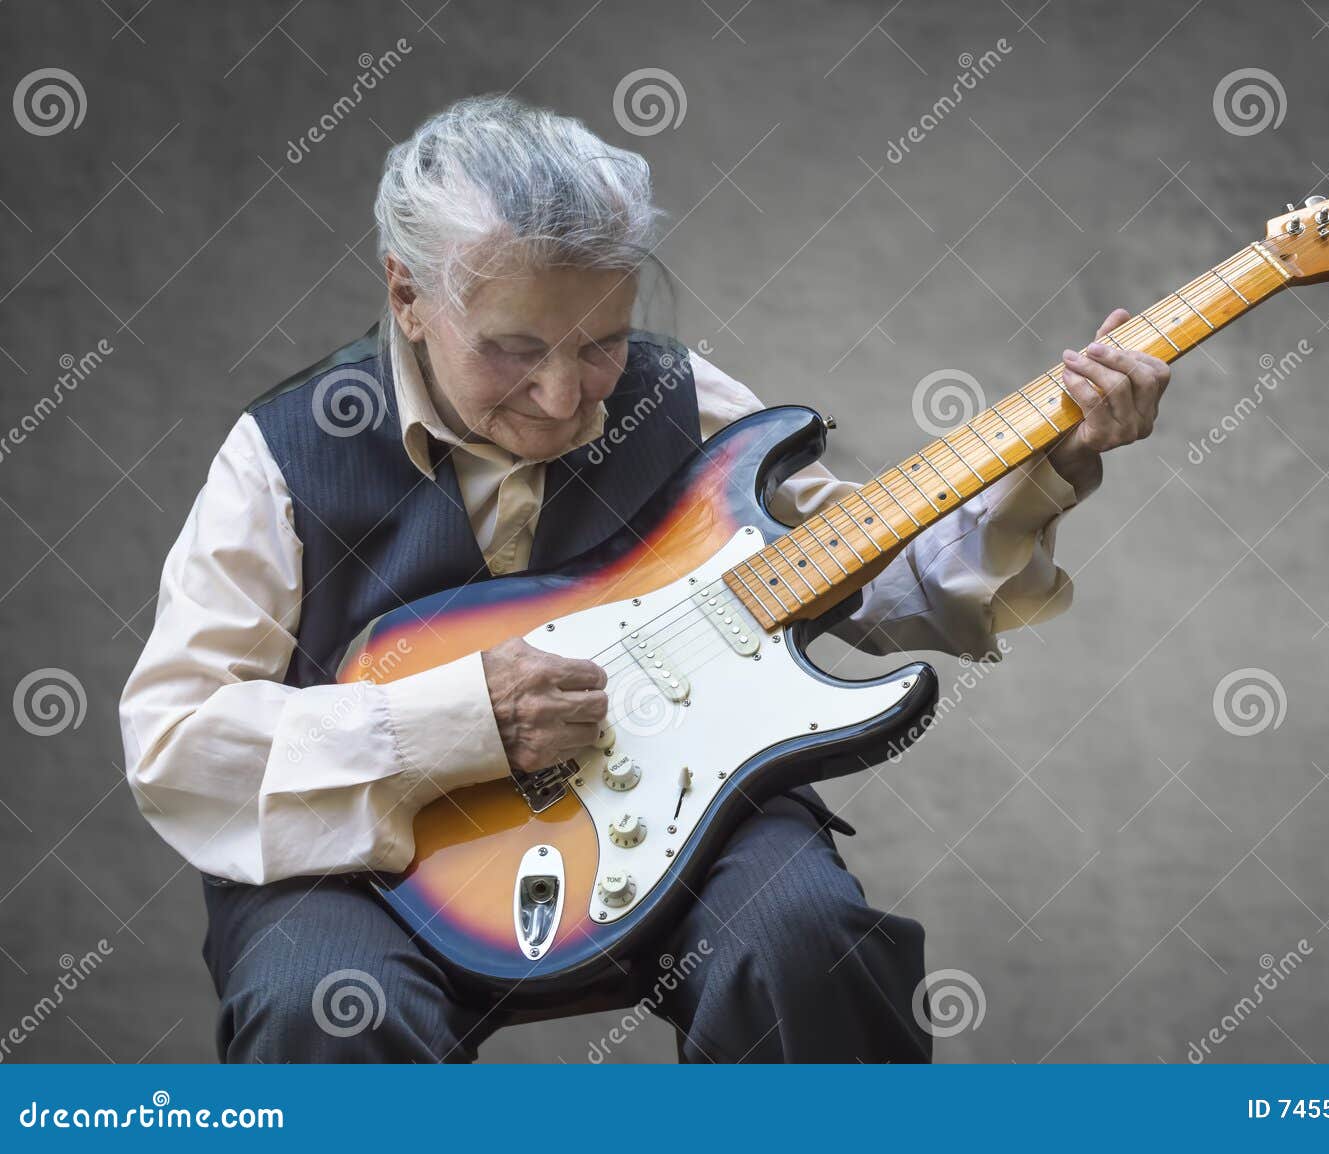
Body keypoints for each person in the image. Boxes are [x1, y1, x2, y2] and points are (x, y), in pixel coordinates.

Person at [118, 95, 1170, 1063]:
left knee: (809, 943)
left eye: (601, 343)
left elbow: (894, 588)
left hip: (692, 812)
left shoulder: (679, 396)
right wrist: (456, 723)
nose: (561, 393)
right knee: (321, 1008)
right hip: (370, 863)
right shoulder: (283, 452)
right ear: (407, 293)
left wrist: (1049, 463)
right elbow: (176, 738)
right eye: (513, 349)